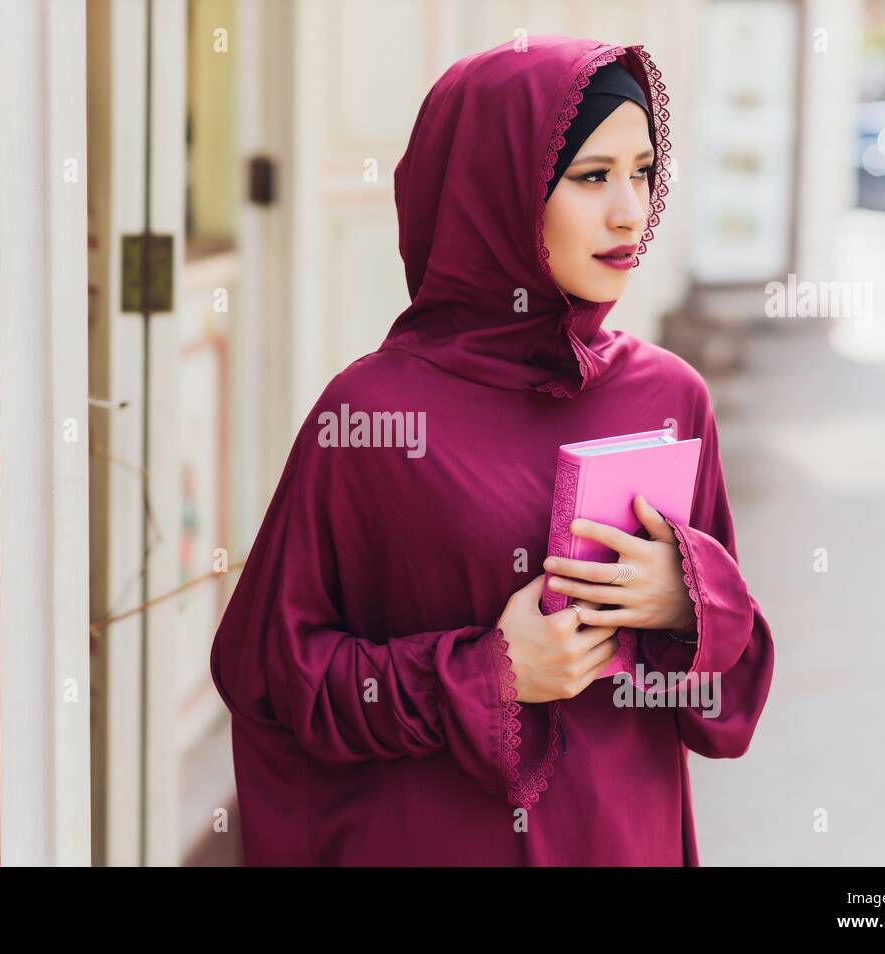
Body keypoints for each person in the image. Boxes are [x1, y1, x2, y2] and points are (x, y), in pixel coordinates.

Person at [209, 35, 774, 865]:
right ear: (495, 190)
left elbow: (731, 683)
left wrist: (685, 603)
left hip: (621, 838)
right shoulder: (373, 414)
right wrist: (490, 676)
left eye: (644, 172)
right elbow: (273, 676)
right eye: (591, 176)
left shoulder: (669, 396)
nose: (630, 211)